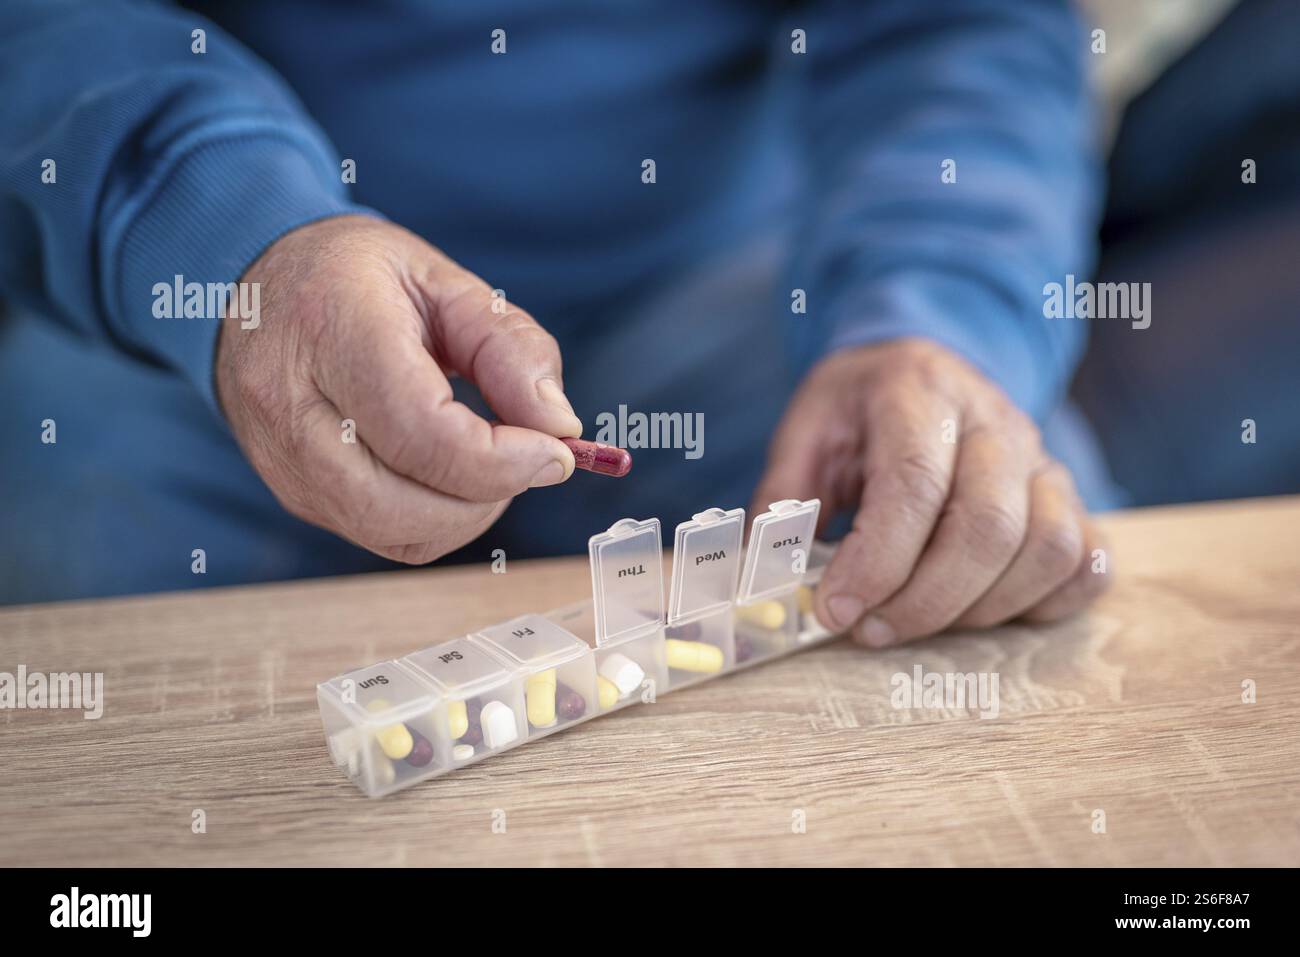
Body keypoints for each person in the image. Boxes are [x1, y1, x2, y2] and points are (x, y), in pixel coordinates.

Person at [0, 0, 1112, 646]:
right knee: (69, 558)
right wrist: (226, 241)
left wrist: (930, 312)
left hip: (735, 291)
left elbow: (958, 27)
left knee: (976, 535)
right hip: (221, 286)